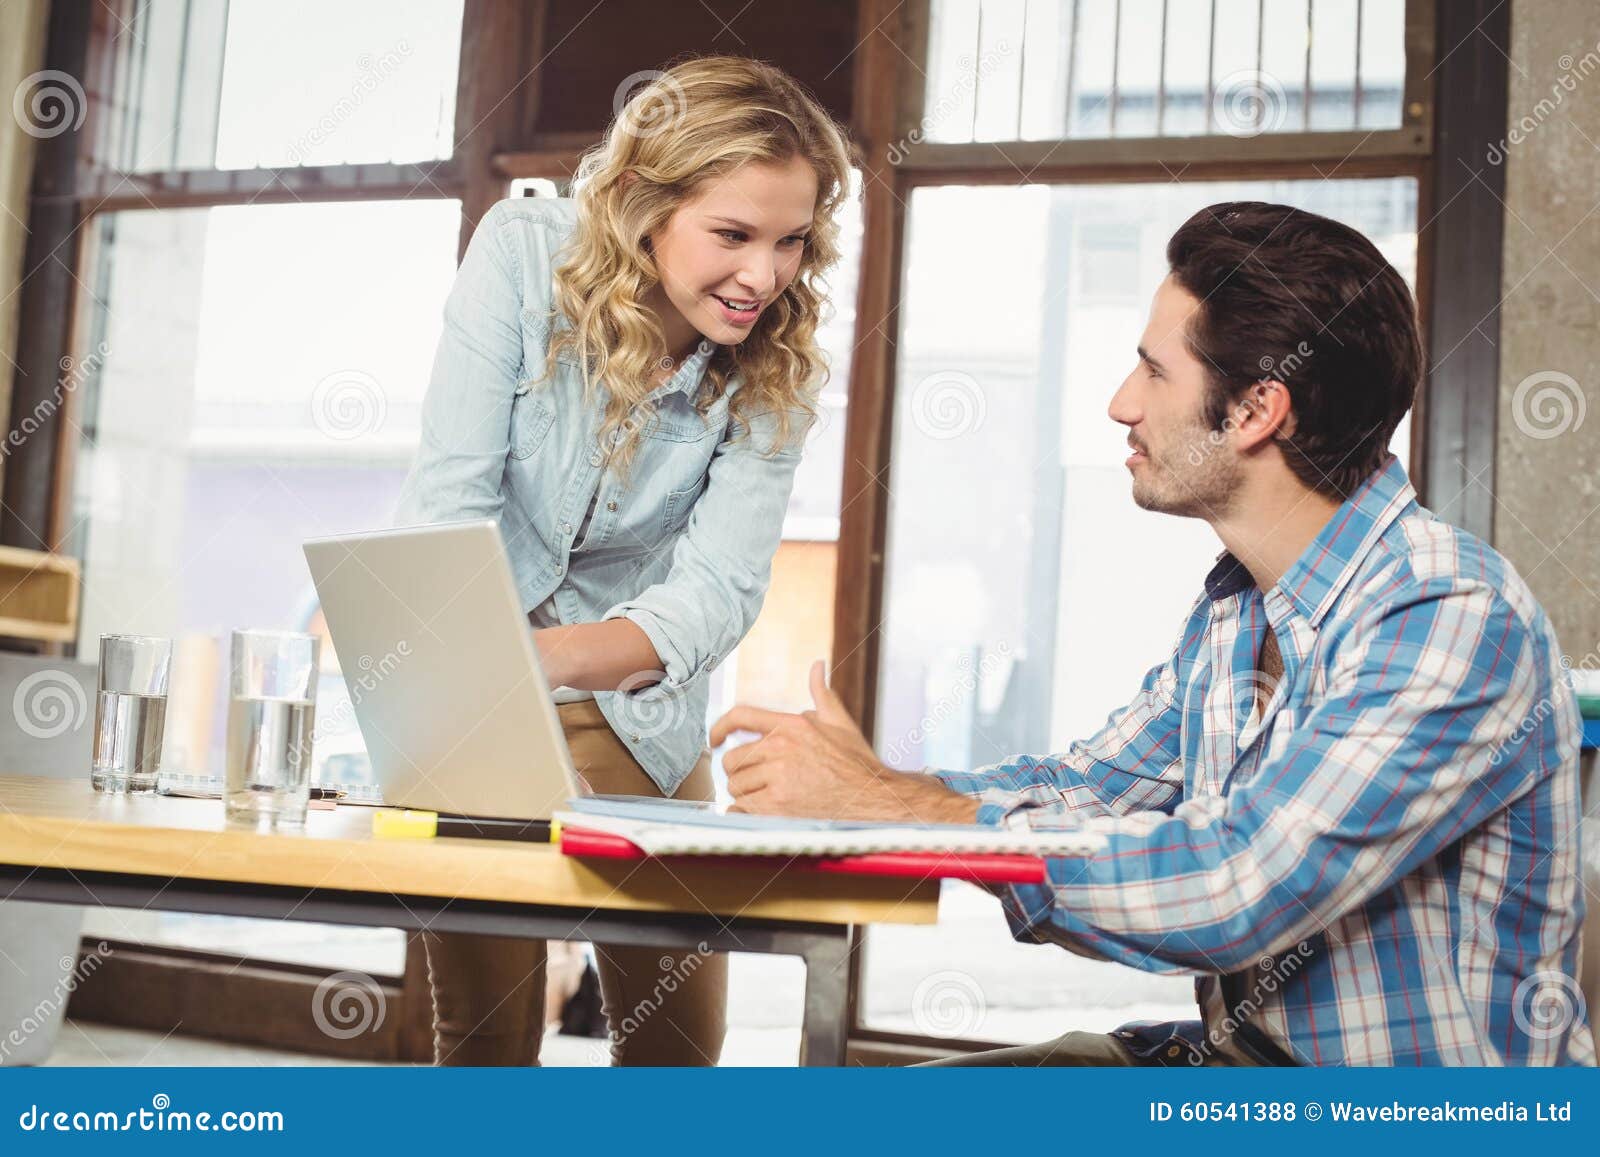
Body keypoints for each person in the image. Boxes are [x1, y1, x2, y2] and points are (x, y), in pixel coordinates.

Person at [711, 202, 1594, 1067]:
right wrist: (870, 785)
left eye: (1153, 371)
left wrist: (890, 806)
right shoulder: (1236, 611)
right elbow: (1087, 790)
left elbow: (1236, 885)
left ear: (1255, 410)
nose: (1119, 404)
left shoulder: (1448, 610)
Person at [393, 55, 854, 1066]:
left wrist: (540, 660)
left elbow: (718, 591)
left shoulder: (776, 364)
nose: (763, 276)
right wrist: (479, 672)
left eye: (789, 241)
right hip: (469, 707)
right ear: (643, 205)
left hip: (637, 717)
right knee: (478, 1048)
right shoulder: (521, 256)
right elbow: (449, 504)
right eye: (731, 235)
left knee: (677, 1057)